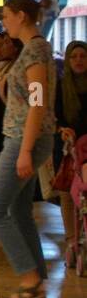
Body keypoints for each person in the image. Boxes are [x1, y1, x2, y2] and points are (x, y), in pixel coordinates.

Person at [0, 0, 57, 298]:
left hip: (23, 139)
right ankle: (36, 278)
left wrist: (25, 150)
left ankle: (29, 280)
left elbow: (37, 103)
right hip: (22, 137)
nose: (3, 23)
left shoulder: (36, 51)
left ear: (22, 16)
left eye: (6, 17)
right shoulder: (31, 51)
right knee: (17, 210)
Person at [54, 40, 87, 263]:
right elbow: (52, 115)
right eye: (74, 56)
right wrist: (61, 129)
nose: (78, 61)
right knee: (67, 194)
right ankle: (71, 239)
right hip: (67, 147)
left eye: (82, 56)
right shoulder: (60, 87)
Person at [0, 33, 24, 178]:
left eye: (6, 42)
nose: (2, 47)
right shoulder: (5, 68)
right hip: (5, 128)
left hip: (16, 131)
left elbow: (36, 102)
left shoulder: (31, 62)